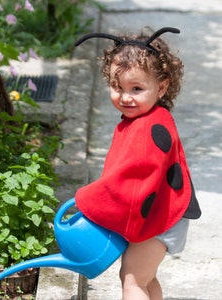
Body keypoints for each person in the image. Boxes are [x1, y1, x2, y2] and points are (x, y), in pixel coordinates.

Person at [74, 27, 202, 300]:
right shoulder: (148, 118)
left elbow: (132, 178)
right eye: (117, 87)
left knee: (132, 280)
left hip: (162, 215)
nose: (125, 97)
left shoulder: (148, 128)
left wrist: (87, 198)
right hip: (163, 211)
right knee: (143, 277)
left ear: (162, 86)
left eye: (136, 88)